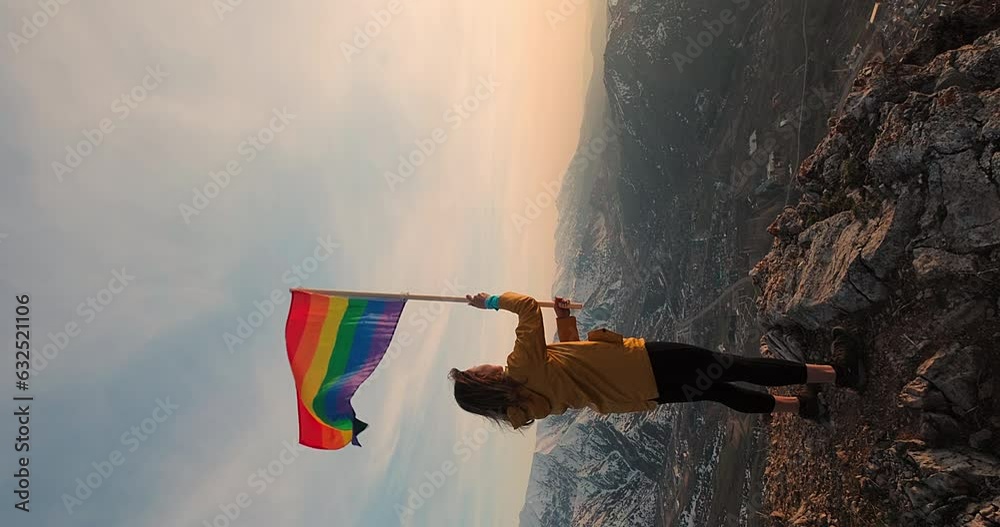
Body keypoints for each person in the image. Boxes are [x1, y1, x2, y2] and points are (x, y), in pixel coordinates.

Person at [449, 291, 865, 429]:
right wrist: (486, 301)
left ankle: (801, 406)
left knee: (719, 391)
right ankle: (837, 374)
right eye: (473, 372)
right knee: (732, 364)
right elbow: (524, 307)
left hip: (641, 393)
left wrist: (564, 320)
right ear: (482, 381)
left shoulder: (523, 405)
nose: (479, 366)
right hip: (641, 362)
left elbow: (569, 363)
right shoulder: (520, 367)